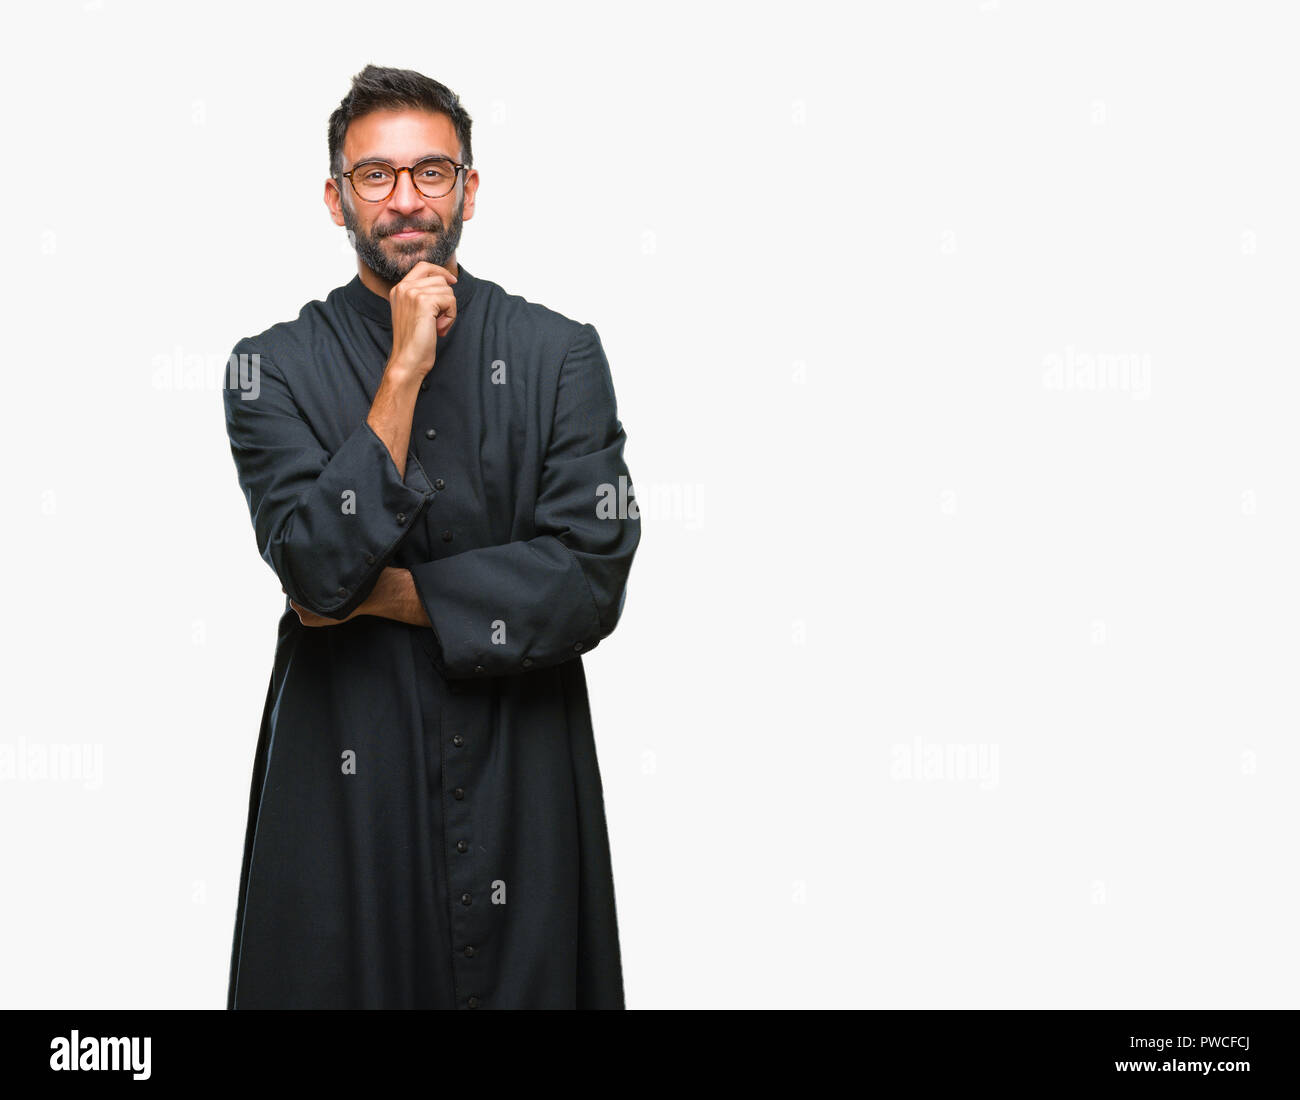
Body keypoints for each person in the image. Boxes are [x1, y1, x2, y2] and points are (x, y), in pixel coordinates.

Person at [220, 64, 640, 1009]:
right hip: (343, 788)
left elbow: (589, 579)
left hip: (522, 779)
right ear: (336, 199)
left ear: (470, 189)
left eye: (432, 172)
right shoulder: (268, 369)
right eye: (376, 175)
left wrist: (389, 595)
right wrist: (404, 370)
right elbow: (317, 564)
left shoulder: (559, 353)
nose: (405, 199)